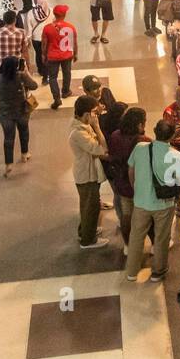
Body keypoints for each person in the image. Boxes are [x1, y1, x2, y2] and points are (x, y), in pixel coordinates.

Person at [125, 120, 180, 282]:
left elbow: (131, 171)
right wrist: (177, 199)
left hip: (141, 202)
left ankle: (131, 272)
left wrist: (137, 190)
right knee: (161, 238)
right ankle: (158, 271)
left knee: (136, 236)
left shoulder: (140, 148)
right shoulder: (176, 156)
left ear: (154, 131)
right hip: (164, 204)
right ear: (172, 135)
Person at [69, 95, 109, 249]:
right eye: (93, 112)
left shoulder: (80, 126)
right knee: (90, 206)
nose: (95, 116)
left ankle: (86, 230)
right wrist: (97, 127)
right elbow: (102, 149)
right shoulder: (79, 133)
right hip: (86, 174)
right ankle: (88, 239)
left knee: (88, 204)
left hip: (87, 171)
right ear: (86, 115)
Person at [105, 106, 146, 245]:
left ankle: (128, 244)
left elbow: (111, 154)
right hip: (140, 185)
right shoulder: (143, 141)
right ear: (140, 124)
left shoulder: (115, 135)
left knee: (126, 215)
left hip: (121, 182)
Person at [0, 56, 40, 176]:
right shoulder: (21, 76)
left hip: (5, 112)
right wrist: (26, 73)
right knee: (24, 131)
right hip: (21, 110)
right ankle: (24, 154)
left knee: (8, 138)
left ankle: (8, 164)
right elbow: (34, 86)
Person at [41, 3, 77, 108]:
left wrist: (43, 55)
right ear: (64, 15)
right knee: (67, 73)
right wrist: (75, 53)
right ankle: (65, 91)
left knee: (52, 77)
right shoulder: (70, 27)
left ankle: (56, 98)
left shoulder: (47, 28)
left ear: (54, 14)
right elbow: (74, 43)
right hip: (67, 55)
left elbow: (44, 43)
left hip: (53, 56)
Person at [0, 9, 31, 76]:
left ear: (4, 21)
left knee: (1, 84)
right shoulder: (22, 32)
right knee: (17, 85)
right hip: (17, 66)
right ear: (15, 20)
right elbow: (25, 51)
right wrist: (28, 65)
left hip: (1, 66)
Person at [29, 0, 52, 75]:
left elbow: (29, 28)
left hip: (36, 38)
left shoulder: (31, 13)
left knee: (38, 54)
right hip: (48, 37)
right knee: (48, 53)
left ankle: (41, 70)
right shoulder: (50, 11)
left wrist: (28, 39)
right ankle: (48, 70)